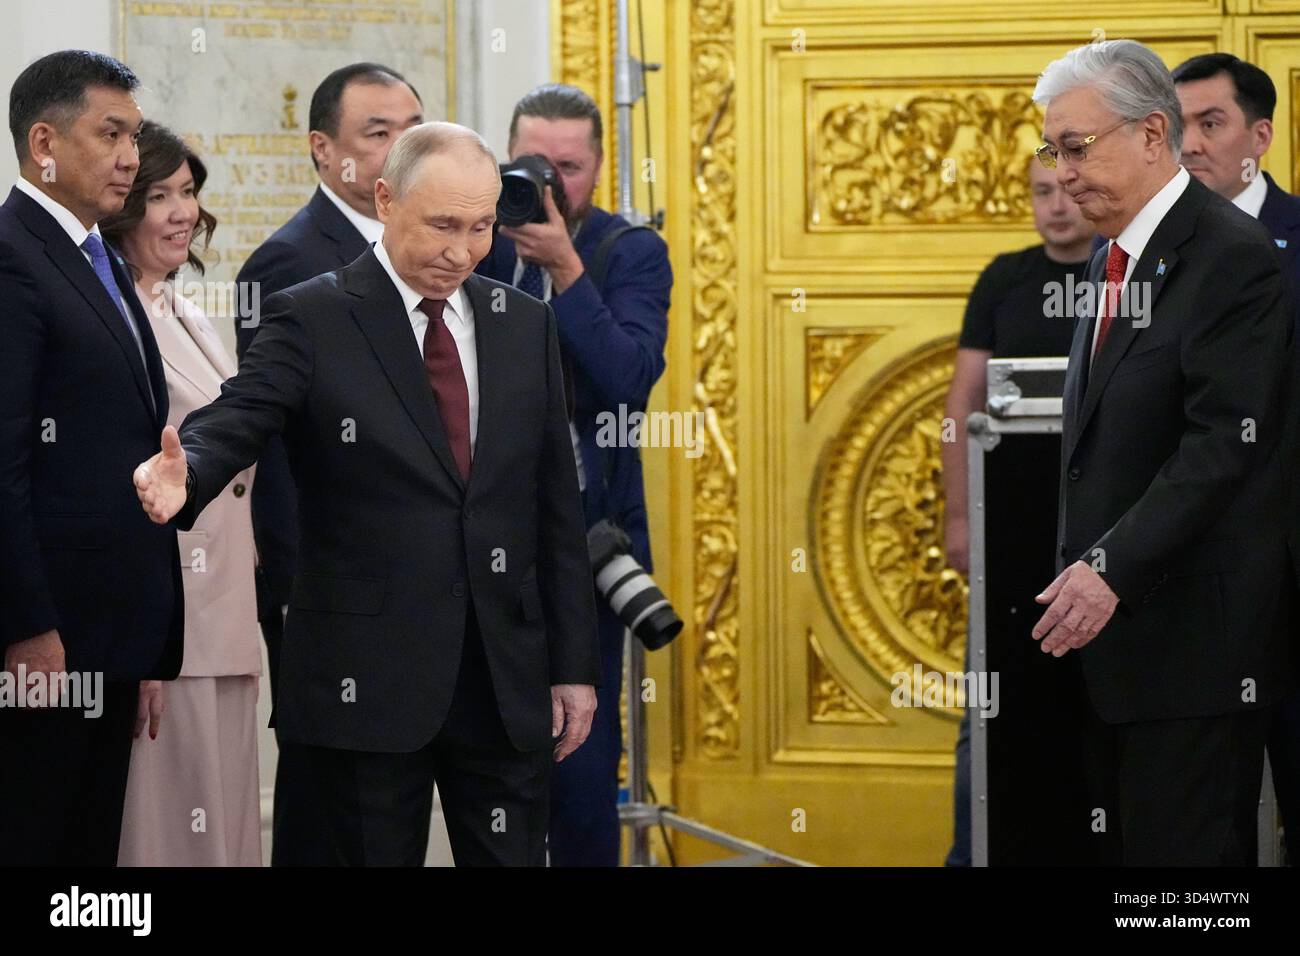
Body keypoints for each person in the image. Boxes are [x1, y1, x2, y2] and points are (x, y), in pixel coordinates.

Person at [133, 122, 599, 867]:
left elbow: (553, 508)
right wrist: (188, 467)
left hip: (503, 677)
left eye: (481, 228)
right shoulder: (313, 314)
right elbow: (244, 410)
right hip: (362, 682)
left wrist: (573, 665)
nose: (462, 250)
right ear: (386, 199)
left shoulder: (524, 325)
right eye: (443, 225)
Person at [1032, 39, 1293, 865]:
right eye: (1051, 150)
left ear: (1152, 136)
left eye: (1077, 147)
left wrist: (1109, 568)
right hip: (1115, 658)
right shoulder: (1113, 259)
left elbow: (1223, 447)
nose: (1063, 172)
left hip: (1194, 652)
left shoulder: (1232, 258)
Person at [476, 83, 671, 867]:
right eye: (534, 163)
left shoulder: (628, 251)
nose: (552, 184)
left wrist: (566, 271)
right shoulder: (477, 239)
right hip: (481, 541)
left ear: (600, 167)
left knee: (583, 769)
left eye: (571, 166)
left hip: (584, 548)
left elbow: (629, 376)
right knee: (493, 765)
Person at [233, 62, 422, 864]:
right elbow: (268, 449)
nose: (401, 148)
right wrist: (299, 590)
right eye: (378, 134)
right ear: (323, 150)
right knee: (333, 820)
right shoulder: (289, 263)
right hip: (335, 600)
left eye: (412, 128)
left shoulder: (438, 248)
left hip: (427, 593)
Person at [0, 50, 182, 865]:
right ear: (44, 142)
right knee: (37, 837)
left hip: (110, 633)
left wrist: (143, 645)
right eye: (110, 134)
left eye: (134, 136)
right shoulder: (13, 257)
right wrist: (29, 626)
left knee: (88, 848)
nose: (130, 158)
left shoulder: (95, 254)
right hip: (50, 636)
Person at [101, 121, 262, 866]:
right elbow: (114, 487)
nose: (180, 212)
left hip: (227, 620)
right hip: (171, 625)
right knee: (169, 839)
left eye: (189, 192)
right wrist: (140, 649)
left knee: (225, 833)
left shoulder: (188, 310)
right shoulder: (112, 319)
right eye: (158, 195)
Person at [940, 158, 1095, 866]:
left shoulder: (1126, 273)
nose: (1056, 206)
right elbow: (962, 406)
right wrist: (960, 519)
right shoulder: (1004, 277)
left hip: (1099, 530)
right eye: (1041, 193)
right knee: (991, 706)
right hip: (1011, 528)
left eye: (1068, 190)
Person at [1171, 52, 1300, 863]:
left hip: (1289, 576)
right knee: (1197, 821)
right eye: (1175, 124)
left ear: (1260, 134)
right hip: (1187, 588)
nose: (1189, 144)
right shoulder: (1149, 254)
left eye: (1209, 124)